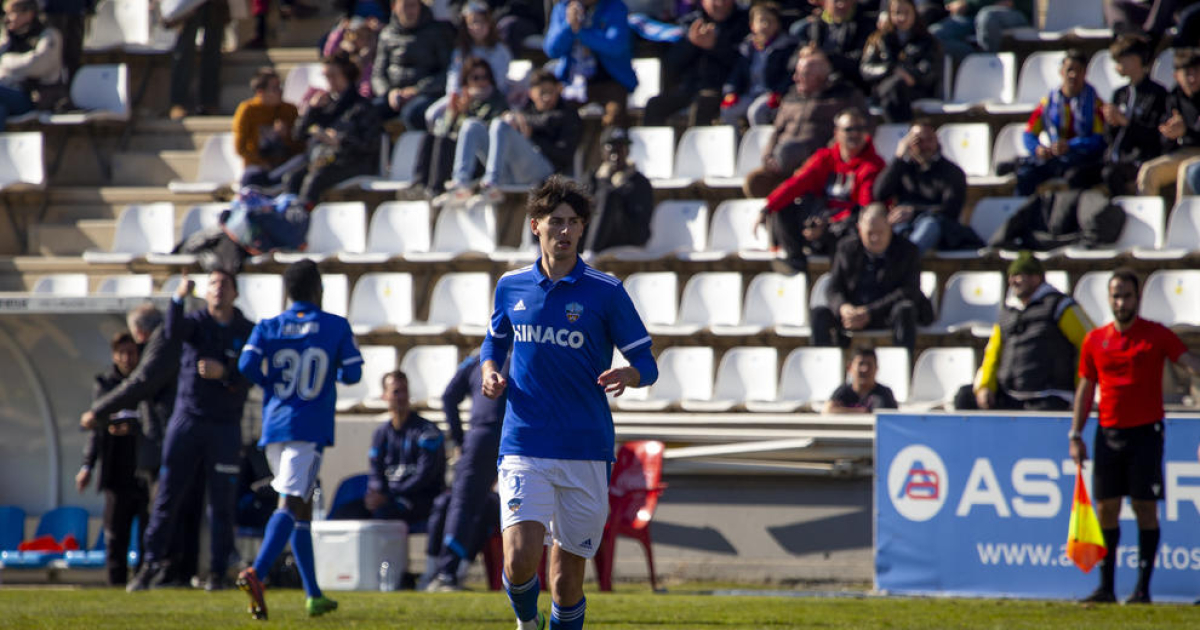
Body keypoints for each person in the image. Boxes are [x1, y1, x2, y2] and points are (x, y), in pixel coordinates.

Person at [481, 176, 658, 630]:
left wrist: (629, 374)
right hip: (524, 443)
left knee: (565, 583)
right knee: (519, 560)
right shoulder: (511, 286)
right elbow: (494, 341)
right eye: (556, 221)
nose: (565, 230)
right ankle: (527, 622)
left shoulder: (606, 291)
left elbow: (647, 365)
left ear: (582, 229)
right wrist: (490, 370)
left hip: (585, 450)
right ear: (535, 226)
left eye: (573, 222)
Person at [234, 260, 362, 620]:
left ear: (287, 292)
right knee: (290, 503)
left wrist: (271, 385)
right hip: (308, 427)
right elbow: (353, 373)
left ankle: (313, 595)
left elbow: (245, 365)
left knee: (301, 508)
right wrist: (329, 375)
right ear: (319, 290)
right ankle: (258, 572)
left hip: (275, 424)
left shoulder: (269, 325)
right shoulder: (334, 325)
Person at [1069, 268, 1200, 604]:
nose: (1121, 303)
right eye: (1116, 296)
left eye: (1126, 296)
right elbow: (1086, 388)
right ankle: (1106, 587)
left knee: (1145, 507)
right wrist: (1076, 433)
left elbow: (1190, 365)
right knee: (1106, 508)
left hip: (1145, 434)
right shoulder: (1095, 340)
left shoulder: (1155, 335)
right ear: (1109, 299)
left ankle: (1142, 589)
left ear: (1137, 298)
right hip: (1108, 432)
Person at [127, 269, 255, 593]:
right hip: (188, 421)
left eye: (224, 284)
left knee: (222, 503)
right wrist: (178, 297)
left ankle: (217, 573)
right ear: (206, 292)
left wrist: (224, 372)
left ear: (235, 293)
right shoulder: (195, 323)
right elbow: (172, 332)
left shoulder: (246, 330)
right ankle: (149, 566)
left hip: (225, 425)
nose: (218, 289)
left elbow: (251, 374)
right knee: (167, 496)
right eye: (213, 284)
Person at [954, 252, 1093, 412]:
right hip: (1011, 394)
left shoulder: (1060, 306)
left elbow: (1089, 343)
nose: (1013, 281)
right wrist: (985, 386)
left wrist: (1082, 391)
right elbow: (992, 353)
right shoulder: (1008, 311)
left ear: (1036, 278)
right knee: (964, 397)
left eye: (1019, 276)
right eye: (1011, 276)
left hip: (1049, 395)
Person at [754, 107, 884, 274]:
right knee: (783, 207)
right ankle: (795, 260)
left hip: (845, 227)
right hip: (819, 218)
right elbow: (797, 183)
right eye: (849, 129)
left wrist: (828, 224)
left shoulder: (873, 165)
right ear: (837, 133)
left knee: (852, 227)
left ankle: (842, 275)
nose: (855, 134)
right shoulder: (825, 158)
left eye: (860, 129)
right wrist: (767, 208)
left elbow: (864, 209)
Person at [423, 350, 508, 592]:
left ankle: (447, 573)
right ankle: (447, 573)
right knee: (469, 505)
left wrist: (460, 439)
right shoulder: (524, 351)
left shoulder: (478, 358)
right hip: (517, 435)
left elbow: (449, 396)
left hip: (483, 436)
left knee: (466, 505)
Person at [76, 333, 152, 586]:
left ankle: (142, 580)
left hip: (144, 469)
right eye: (122, 353)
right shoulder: (105, 384)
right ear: (114, 356)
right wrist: (87, 466)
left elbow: (153, 422)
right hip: (116, 470)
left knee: (147, 531)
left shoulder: (148, 383)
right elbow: (95, 429)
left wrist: (133, 428)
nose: (127, 359)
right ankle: (115, 583)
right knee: (115, 533)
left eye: (132, 353)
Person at [441, 69, 581, 206]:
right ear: (531, 93)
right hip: (509, 171)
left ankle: (492, 185)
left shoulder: (568, 114)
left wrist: (531, 137)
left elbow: (564, 155)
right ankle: (461, 184)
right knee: (471, 125)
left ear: (558, 90)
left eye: (551, 92)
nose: (547, 97)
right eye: (542, 93)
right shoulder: (526, 110)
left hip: (544, 172)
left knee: (500, 123)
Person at [743, 47, 867, 198]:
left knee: (799, 184)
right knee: (755, 182)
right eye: (796, 73)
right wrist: (768, 156)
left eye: (803, 74)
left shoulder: (843, 96)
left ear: (820, 76)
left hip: (816, 165)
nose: (795, 78)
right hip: (781, 164)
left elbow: (859, 128)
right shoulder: (791, 97)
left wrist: (823, 158)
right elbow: (776, 132)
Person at [809, 203, 931, 354]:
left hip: (886, 312)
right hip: (853, 313)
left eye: (880, 232)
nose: (875, 238)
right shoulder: (846, 248)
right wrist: (843, 308)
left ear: (890, 228)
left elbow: (909, 291)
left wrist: (869, 312)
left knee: (906, 309)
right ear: (859, 228)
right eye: (870, 233)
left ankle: (903, 362)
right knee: (819, 314)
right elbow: (834, 287)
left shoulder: (907, 250)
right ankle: (822, 362)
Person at [328, 370, 446, 524]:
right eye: (396, 392)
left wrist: (389, 495)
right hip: (389, 497)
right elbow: (375, 471)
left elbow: (425, 477)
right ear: (384, 396)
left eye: (404, 391)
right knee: (344, 514)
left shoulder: (427, 432)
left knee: (383, 514)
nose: (401, 397)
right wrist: (376, 494)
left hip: (420, 499)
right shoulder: (381, 433)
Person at [288, 54, 383, 208]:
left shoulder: (362, 107)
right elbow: (298, 134)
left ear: (347, 75)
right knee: (293, 178)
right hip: (328, 160)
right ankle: (289, 213)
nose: (329, 80)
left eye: (333, 75)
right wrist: (312, 110)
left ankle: (301, 214)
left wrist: (339, 140)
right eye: (326, 76)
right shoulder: (326, 105)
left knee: (316, 178)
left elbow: (370, 144)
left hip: (356, 162)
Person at [643, 0, 749, 127]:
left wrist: (715, 46)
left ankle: (696, 140)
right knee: (655, 105)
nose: (720, 4)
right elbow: (671, 64)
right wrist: (691, 43)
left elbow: (743, 64)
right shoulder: (690, 22)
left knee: (702, 104)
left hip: (724, 89)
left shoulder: (744, 22)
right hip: (690, 88)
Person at [1015, 49, 1107, 196]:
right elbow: (1029, 133)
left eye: (1079, 71)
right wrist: (1038, 149)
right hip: (1056, 158)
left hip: (1083, 160)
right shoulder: (1048, 103)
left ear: (1085, 73)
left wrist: (1070, 145)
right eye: (1069, 70)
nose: (1073, 75)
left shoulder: (1095, 104)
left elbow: (1099, 140)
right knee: (1026, 174)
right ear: (1061, 72)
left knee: (1076, 177)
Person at [872, 119, 970, 254]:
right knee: (888, 226)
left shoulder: (952, 172)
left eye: (929, 140)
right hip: (904, 225)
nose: (925, 146)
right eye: (918, 141)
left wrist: (914, 212)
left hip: (939, 227)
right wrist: (899, 158)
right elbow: (879, 193)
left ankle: (907, 259)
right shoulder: (903, 168)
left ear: (937, 141)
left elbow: (951, 210)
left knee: (929, 224)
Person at [419, 56, 510, 198]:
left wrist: (466, 113)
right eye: (475, 78)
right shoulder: (461, 99)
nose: (481, 82)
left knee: (446, 143)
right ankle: (422, 186)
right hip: (460, 156)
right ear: (466, 80)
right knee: (431, 137)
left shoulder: (497, 99)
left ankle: (438, 190)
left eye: (484, 77)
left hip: (482, 157)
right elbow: (444, 131)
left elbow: (483, 131)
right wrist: (454, 114)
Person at [543, 0, 636, 127]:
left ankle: (614, 138)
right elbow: (552, 50)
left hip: (610, 81)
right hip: (572, 82)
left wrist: (580, 33)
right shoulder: (563, 8)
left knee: (615, 116)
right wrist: (568, 25)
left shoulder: (615, 7)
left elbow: (616, 45)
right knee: (558, 116)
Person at [424, 1, 512, 129]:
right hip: (462, 95)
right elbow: (454, 75)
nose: (477, 27)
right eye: (473, 23)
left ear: (489, 23)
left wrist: (477, 92)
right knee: (432, 115)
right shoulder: (461, 51)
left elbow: (500, 81)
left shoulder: (500, 50)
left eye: (481, 22)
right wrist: (455, 95)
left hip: (492, 96)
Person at [1101, 33, 1168, 197]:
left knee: (1110, 174)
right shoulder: (1120, 94)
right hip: (1114, 158)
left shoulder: (1157, 94)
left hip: (1140, 159)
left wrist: (1126, 122)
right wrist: (1111, 122)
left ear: (1136, 59)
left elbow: (1154, 137)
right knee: (1077, 174)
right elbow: (1110, 137)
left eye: (1121, 60)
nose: (1118, 66)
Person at [371, 0, 454, 131]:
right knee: (369, 111)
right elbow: (377, 74)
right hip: (395, 94)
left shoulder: (436, 32)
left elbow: (447, 72)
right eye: (405, 6)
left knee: (412, 114)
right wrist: (388, 92)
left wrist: (417, 90)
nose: (410, 11)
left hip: (426, 93)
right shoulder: (387, 35)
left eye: (413, 5)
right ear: (394, 7)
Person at [860, 0, 942, 123]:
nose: (902, 17)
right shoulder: (879, 39)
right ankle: (902, 127)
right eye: (897, 13)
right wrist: (891, 69)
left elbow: (929, 71)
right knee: (892, 86)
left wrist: (910, 75)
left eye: (906, 12)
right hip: (884, 88)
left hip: (914, 89)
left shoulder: (927, 40)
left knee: (895, 86)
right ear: (890, 14)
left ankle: (897, 127)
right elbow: (866, 69)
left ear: (914, 13)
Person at [1137, 48, 1200, 200]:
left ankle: (1182, 215)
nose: (1192, 78)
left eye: (1196, 72)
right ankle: (1147, 214)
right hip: (1183, 152)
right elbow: (1163, 139)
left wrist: (1187, 132)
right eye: (1187, 73)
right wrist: (1171, 134)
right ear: (1176, 76)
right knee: (1149, 170)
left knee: (1187, 170)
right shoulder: (1173, 98)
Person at [720, 1, 796, 127]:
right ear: (752, 25)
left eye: (770, 21)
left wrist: (779, 92)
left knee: (756, 112)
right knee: (728, 110)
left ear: (777, 24)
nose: (765, 25)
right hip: (750, 94)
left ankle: (762, 140)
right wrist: (731, 91)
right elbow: (737, 73)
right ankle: (736, 139)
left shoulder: (786, 47)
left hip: (771, 95)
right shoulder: (747, 48)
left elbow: (789, 75)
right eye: (761, 21)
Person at [582, 126, 653, 255]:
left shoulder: (639, 181)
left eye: (620, 150)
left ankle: (590, 254)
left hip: (628, 235)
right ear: (602, 152)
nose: (615, 156)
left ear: (627, 152)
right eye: (611, 151)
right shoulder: (592, 177)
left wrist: (617, 194)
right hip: (595, 231)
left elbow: (640, 221)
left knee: (608, 195)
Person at [233, 68, 303, 189]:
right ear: (261, 92)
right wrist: (262, 163)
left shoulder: (289, 110)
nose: (280, 91)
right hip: (259, 167)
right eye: (275, 88)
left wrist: (286, 136)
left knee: (302, 162)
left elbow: (300, 146)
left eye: (280, 87)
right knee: (251, 177)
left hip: (283, 166)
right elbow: (240, 148)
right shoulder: (248, 110)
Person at [0, 0, 66, 126]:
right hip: (9, 95)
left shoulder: (48, 35)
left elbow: (36, 65)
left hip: (35, 98)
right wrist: (7, 40)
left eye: (11, 13)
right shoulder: (10, 39)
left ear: (28, 14)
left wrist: (6, 60)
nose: (7, 19)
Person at [788, 0, 875, 91]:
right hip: (814, 88)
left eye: (846, 0)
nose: (841, 5)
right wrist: (804, 54)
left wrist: (826, 57)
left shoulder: (864, 26)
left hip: (849, 87)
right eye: (836, 1)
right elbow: (791, 64)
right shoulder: (815, 26)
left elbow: (859, 62)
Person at [167, 0, 227, 119]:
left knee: (213, 47)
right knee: (185, 48)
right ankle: (179, 102)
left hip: (215, 4)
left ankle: (209, 102)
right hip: (188, 4)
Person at [930, 0, 1033, 61]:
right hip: (969, 15)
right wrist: (953, 4)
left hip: (1012, 11)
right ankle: (976, 61)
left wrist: (968, 4)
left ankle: (989, 64)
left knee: (986, 17)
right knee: (936, 33)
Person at [823, 346, 898, 414]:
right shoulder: (843, 391)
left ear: (876, 368)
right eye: (860, 364)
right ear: (850, 367)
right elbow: (828, 410)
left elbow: (889, 418)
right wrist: (861, 411)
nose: (865, 369)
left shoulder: (884, 393)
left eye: (869, 365)